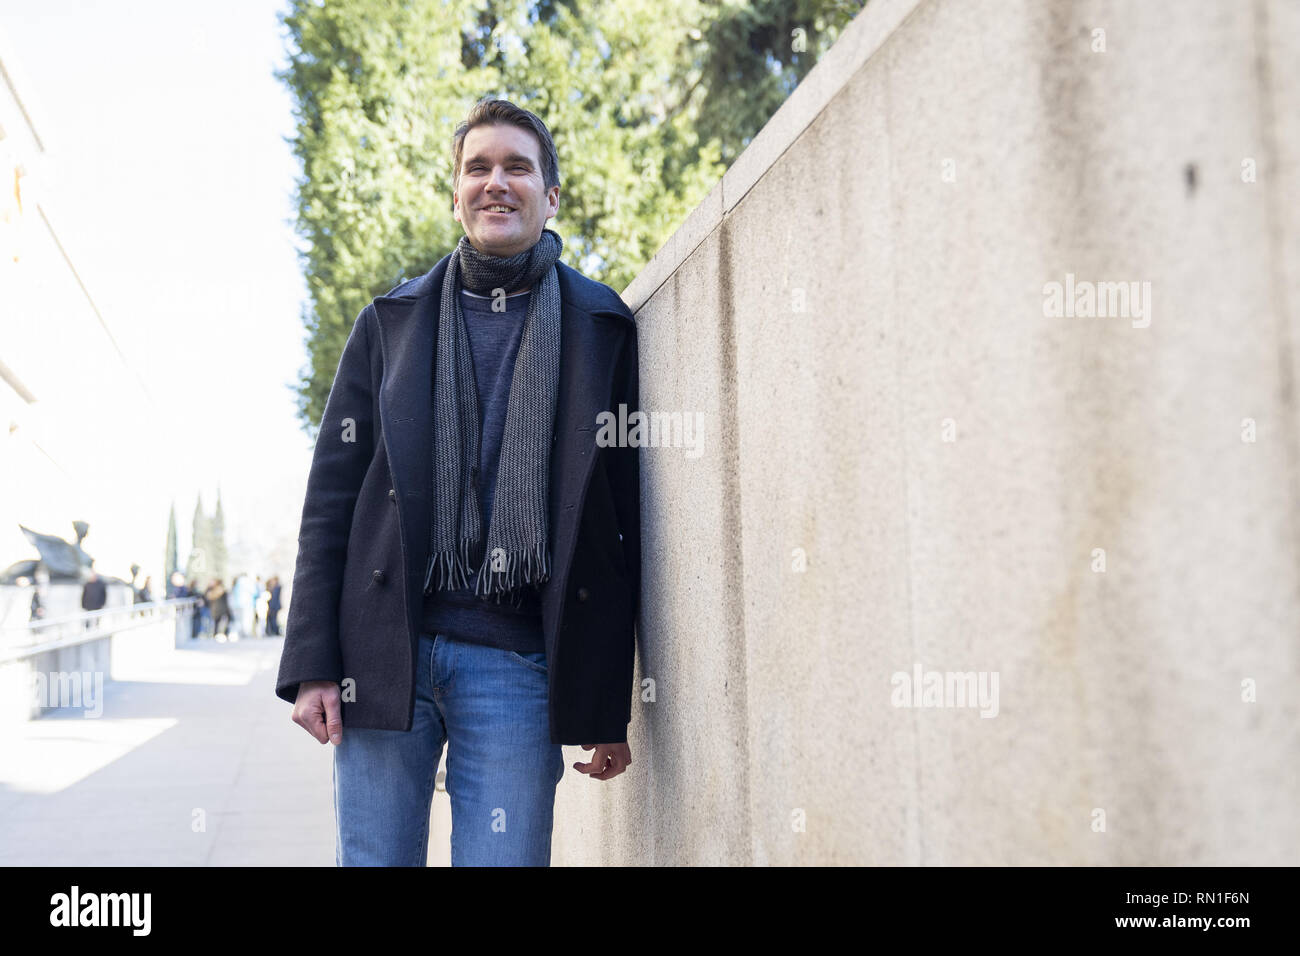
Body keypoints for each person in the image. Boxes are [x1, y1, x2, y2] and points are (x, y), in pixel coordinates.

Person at [276, 97, 641, 867]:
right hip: (383, 661)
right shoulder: (391, 322)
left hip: (517, 668)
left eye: (517, 167)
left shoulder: (599, 325)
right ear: (455, 193)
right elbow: (331, 501)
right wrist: (312, 662)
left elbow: (619, 528)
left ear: (552, 194)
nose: (495, 183)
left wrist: (607, 703)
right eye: (478, 168)